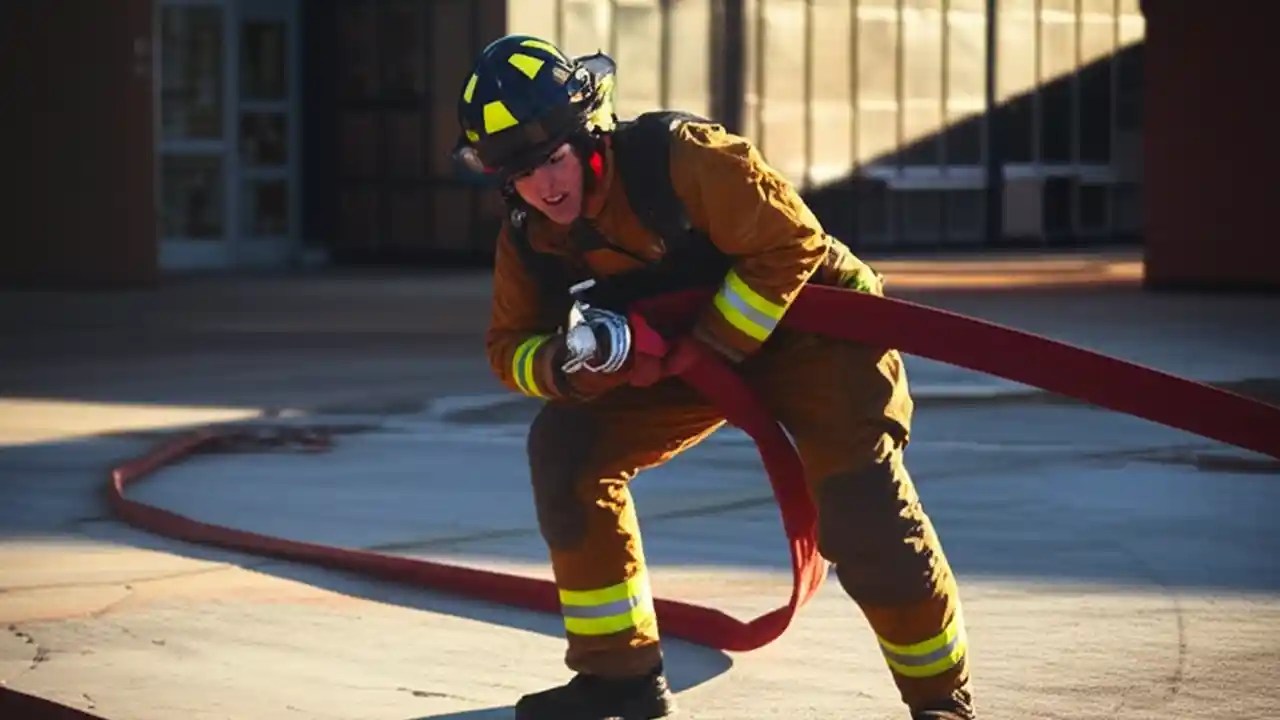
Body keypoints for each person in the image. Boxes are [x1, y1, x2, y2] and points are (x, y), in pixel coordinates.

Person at [452, 33, 975, 720]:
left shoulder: (683, 159)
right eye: (522, 174)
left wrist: (711, 343)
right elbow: (507, 345)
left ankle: (941, 698)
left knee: (859, 504)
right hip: (686, 352)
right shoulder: (530, 234)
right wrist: (572, 365)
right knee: (566, 449)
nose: (546, 187)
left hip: (817, 330)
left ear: (589, 136)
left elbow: (792, 245)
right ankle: (621, 679)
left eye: (554, 160)